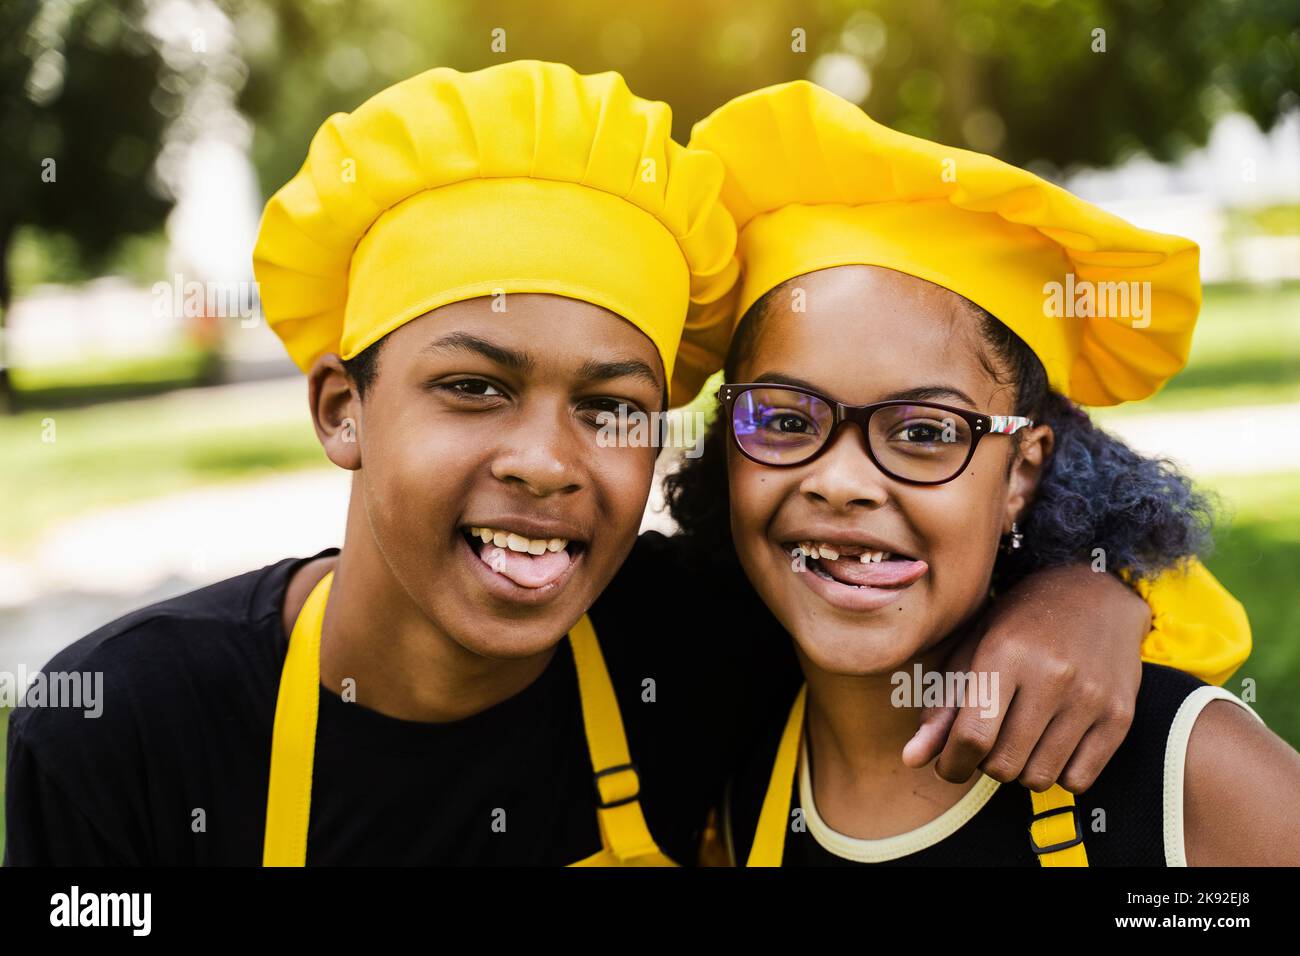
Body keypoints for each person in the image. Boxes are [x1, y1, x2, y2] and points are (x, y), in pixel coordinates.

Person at [2, 64, 1252, 867]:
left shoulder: (699, 644)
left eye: (611, 405)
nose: (548, 460)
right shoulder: (129, 727)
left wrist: (1084, 591)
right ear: (343, 407)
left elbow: (909, 591)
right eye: (474, 387)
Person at [669, 80, 1300, 866]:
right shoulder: (738, 780)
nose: (841, 481)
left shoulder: (1185, 778)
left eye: (926, 432)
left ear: (1021, 475)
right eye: (789, 419)